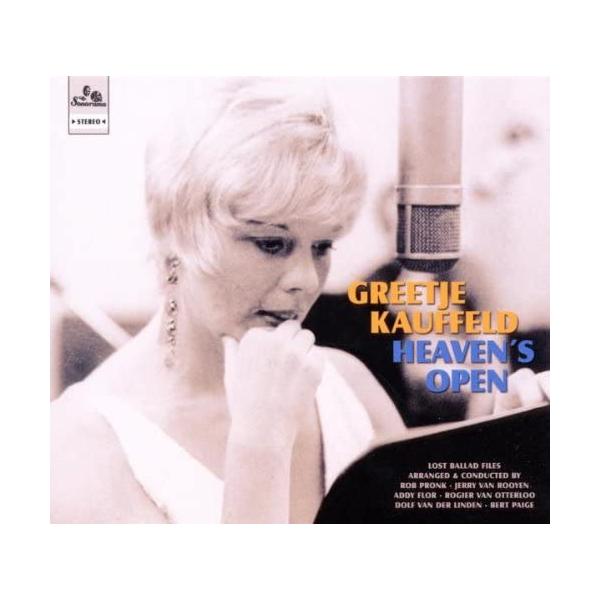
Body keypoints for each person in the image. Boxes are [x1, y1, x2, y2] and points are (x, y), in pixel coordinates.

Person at [51, 78, 548, 524]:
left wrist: (501, 453)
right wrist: (260, 446)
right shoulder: (76, 448)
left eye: (322, 246)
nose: (306, 280)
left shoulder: (347, 385)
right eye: (272, 243)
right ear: (173, 229)